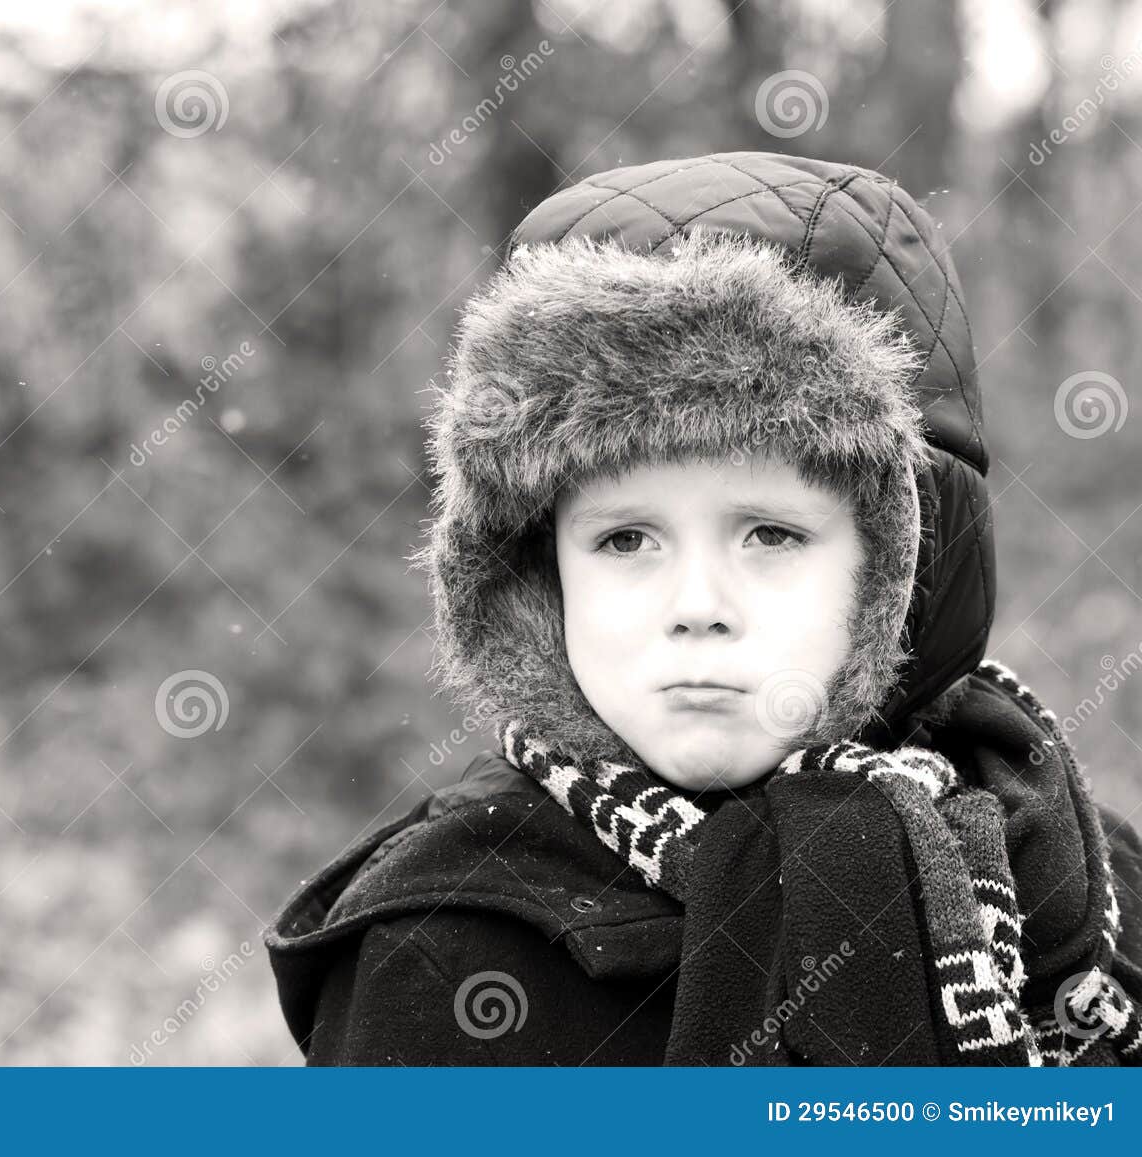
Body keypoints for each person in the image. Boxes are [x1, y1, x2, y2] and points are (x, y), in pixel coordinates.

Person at [262, 151, 1142, 1066]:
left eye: (770, 534)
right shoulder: (442, 948)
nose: (696, 607)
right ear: (539, 574)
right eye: (625, 540)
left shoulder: (1078, 869)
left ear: (908, 566)